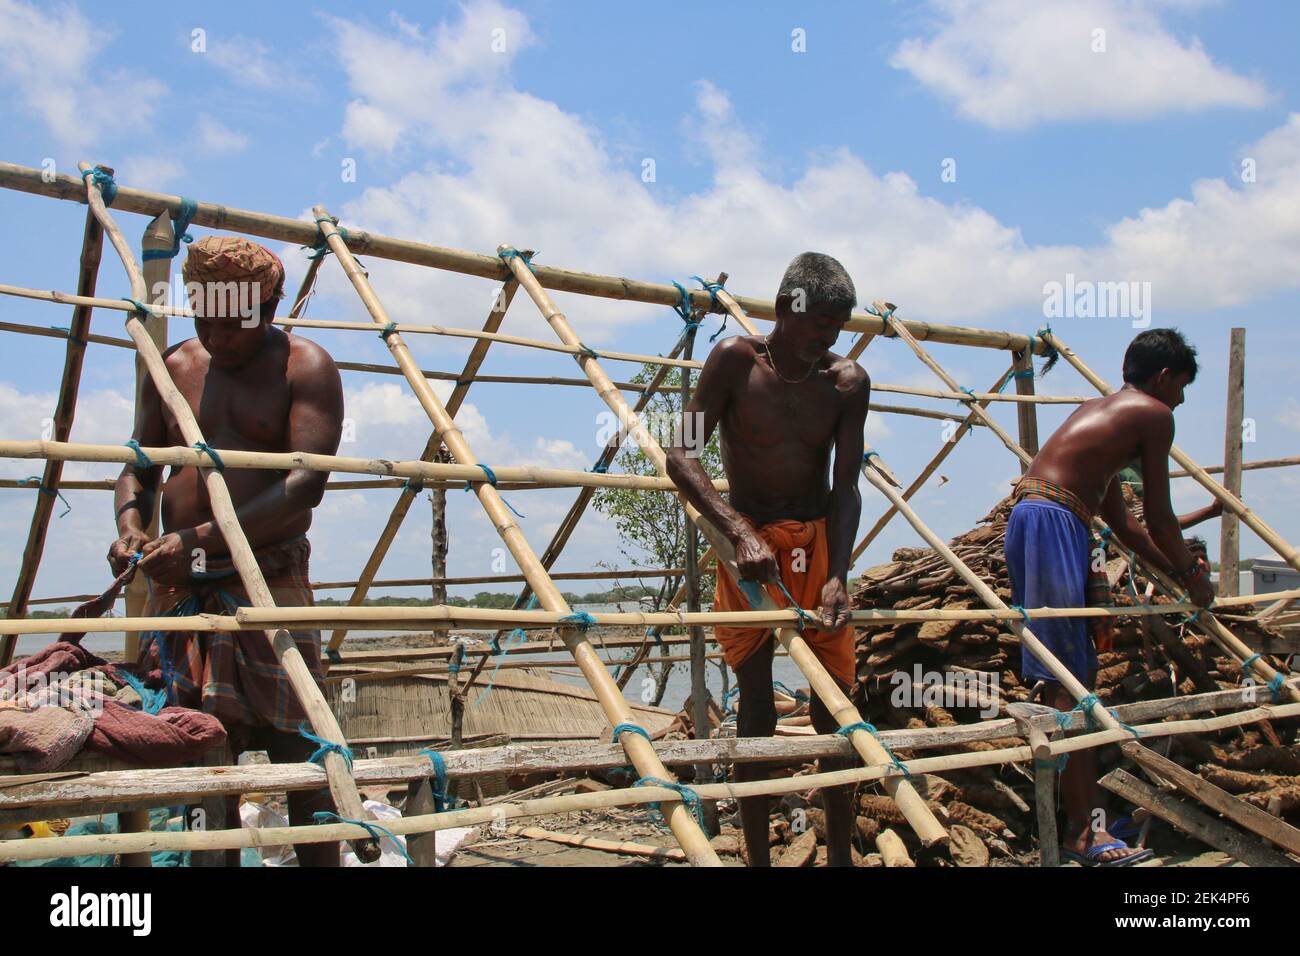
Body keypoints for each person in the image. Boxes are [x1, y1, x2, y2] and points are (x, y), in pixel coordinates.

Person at [107, 236, 345, 866]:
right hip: (181, 590)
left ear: (267, 306)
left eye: (233, 321)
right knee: (196, 748)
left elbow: (304, 485)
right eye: (203, 317)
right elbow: (139, 465)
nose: (216, 334)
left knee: (299, 745)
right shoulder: (171, 366)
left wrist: (201, 540)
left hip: (266, 579)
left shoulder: (304, 365)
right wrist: (133, 522)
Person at [666, 252, 870, 866]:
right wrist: (736, 529)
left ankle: (839, 858)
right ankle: (757, 858)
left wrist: (838, 574)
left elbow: (847, 488)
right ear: (786, 310)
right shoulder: (733, 361)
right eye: (819, 327)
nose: (827, 341)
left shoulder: (846, 384)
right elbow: (682, 455)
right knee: (755, 704)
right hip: (748, 547)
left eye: (837, 329)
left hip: (816, 546)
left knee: (834, 703)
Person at [1006, 327, 1215, 866]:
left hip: (1039, 518)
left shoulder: (1107, 417)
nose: (1182, 401)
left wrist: (1178, 566)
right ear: (1165, 377)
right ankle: (1083, 832)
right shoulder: (1153, 414)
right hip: (1054, 522)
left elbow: (1127, 526)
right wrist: (1193, 575)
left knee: (1069, 677)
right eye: (1183, 387)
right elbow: (1163, 519)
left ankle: (1088, 817)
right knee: (1070, 682)